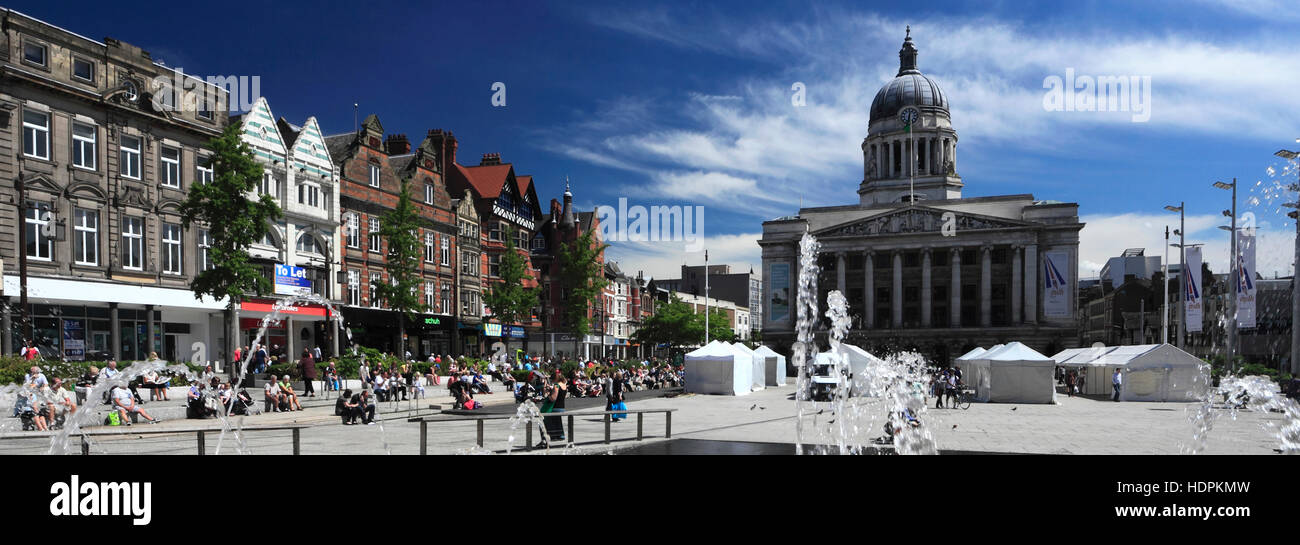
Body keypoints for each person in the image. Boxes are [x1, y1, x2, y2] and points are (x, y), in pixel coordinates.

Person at [539, 375, 567, 447]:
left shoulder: (556, 385)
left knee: (544, 423)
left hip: (554, 407)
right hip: (561, 407)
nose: (552, 381)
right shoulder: (564, 385)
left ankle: (546, 440)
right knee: (557, 422)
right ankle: (559, 436)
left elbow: (553, 398)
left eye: (552, 379)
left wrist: (548, 395)